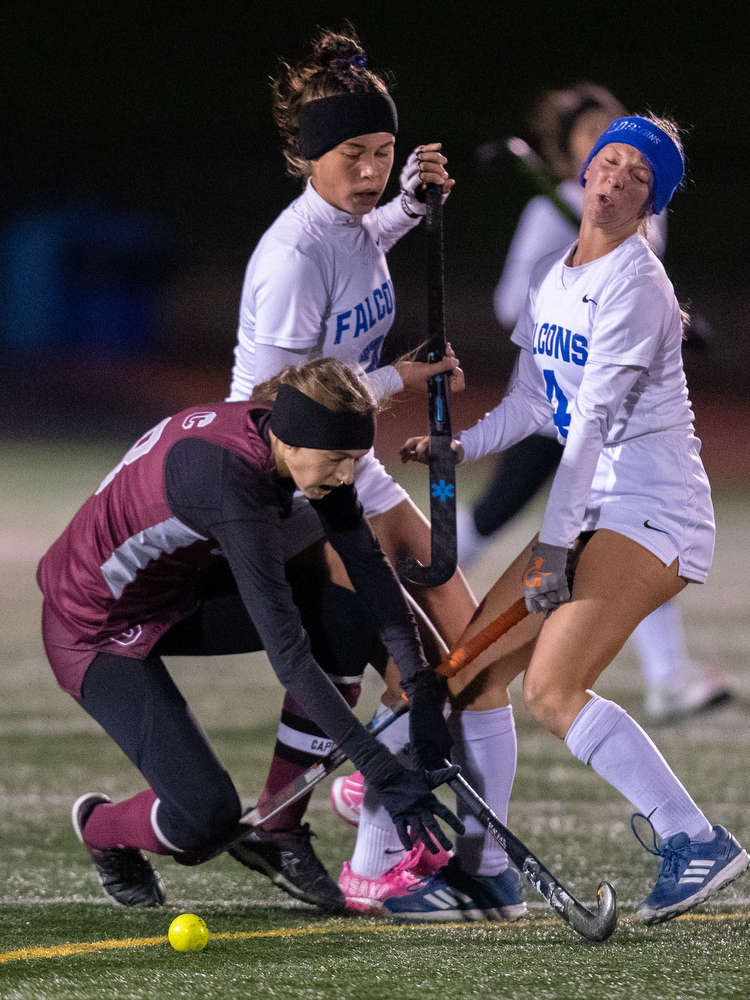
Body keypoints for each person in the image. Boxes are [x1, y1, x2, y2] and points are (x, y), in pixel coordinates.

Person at [394, 114, 749, 924]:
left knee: (553, 688)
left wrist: (555, 546)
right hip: (595, 510)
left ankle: (694, 841)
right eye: (609, 163)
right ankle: (488, 873)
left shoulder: (637, 284)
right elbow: (533, 401)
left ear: (651, 201)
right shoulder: (558, 277)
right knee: (475, 675)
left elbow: (587, 428)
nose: (618, 179)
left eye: (639, 176)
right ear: (584, 174)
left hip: (652, 513)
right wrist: (458, 445)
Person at [225, 28, 508, 916]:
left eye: (386, 153)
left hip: (354, 467)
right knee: (407, 654)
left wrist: (414, 206)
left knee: (472, 648)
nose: (372, 171)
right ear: (311, 156)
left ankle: (481, 854)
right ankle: (376, 862)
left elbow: (367, 238)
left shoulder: (350, 225)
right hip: (287, 477)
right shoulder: (293, 257)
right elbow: (276, 400)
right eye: (355, 155)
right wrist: (400, 380)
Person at [37, 357, 463, 911]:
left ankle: (279, 831)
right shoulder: (232, 484)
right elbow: (290, 658)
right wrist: (382, 770)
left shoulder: (298, 434)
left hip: (175, 591)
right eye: (338, 462)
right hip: (91, 627)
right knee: (204, 819)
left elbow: (366, 560)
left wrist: (420, 684)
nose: (345, 477)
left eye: (355, 462)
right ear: (290, 441)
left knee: (346, 612)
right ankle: (100, 828)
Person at [457, 83, 731, 724]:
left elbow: (635, 294)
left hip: (613, 419)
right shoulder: (547, 219)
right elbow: (510, 307)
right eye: (597, 143)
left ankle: (669, 680)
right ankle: (412, 612)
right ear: (578, 154)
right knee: (493, 516)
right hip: (562, 403)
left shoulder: (643, 214)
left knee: (632, 540)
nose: (612, 162)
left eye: (624, 147)